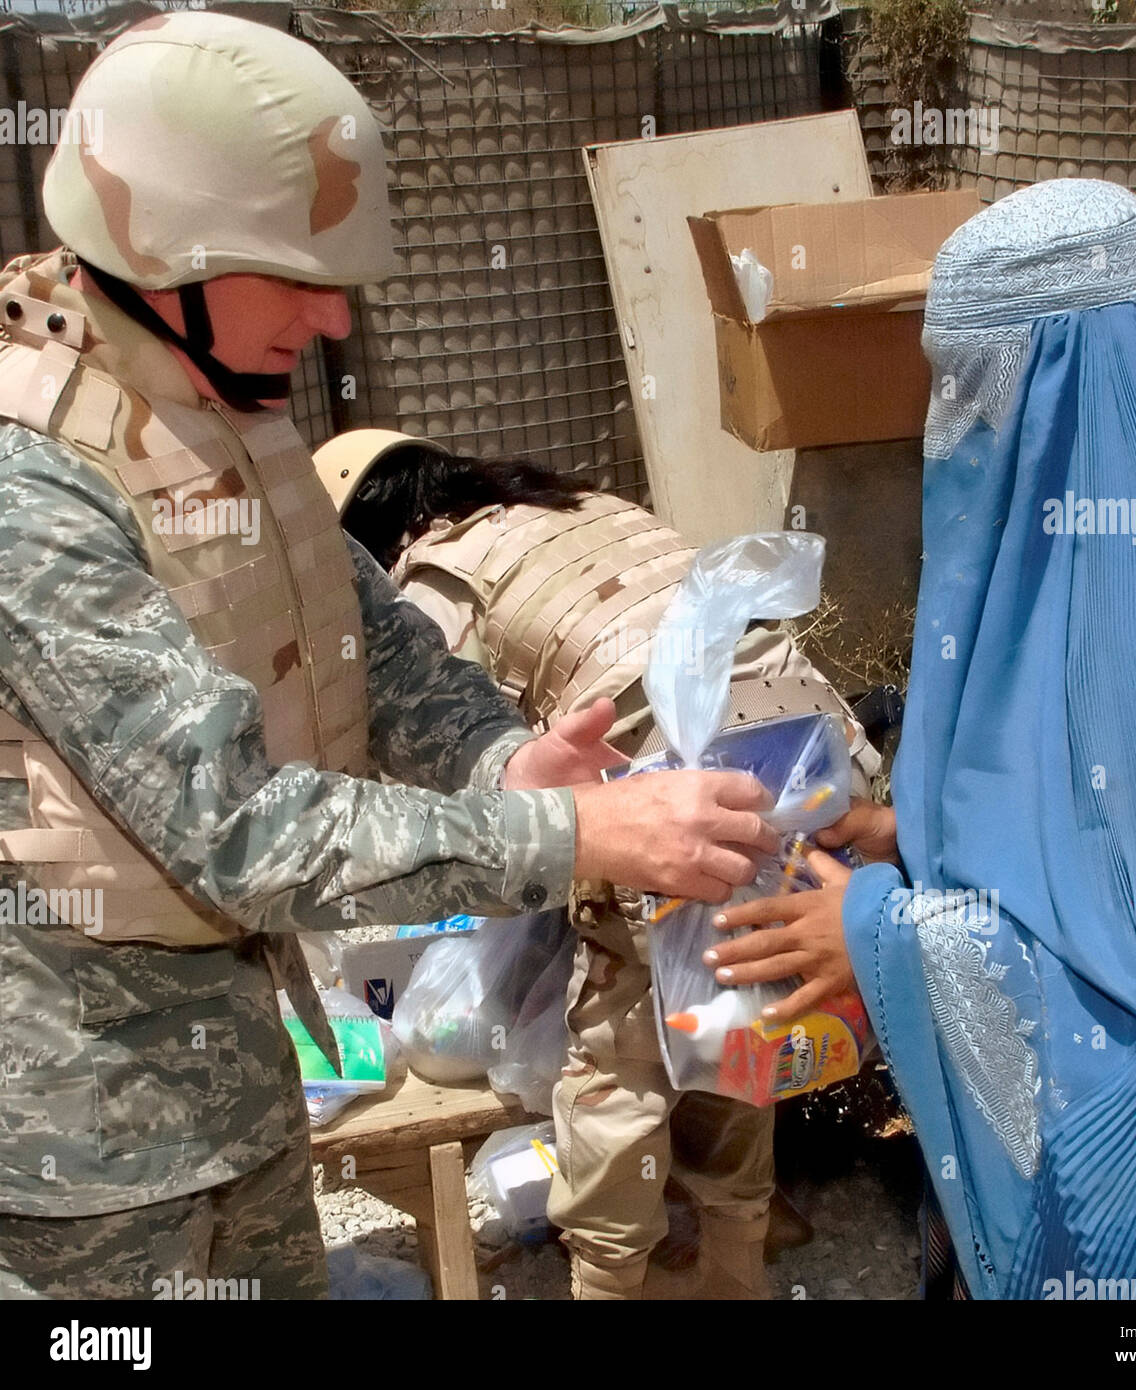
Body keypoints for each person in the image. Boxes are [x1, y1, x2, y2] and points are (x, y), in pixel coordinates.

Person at [0, 13, 775, 1300]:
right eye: (294, 275)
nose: (331, 317)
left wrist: (504, 756)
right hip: (82, 1152)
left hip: (233, 1090)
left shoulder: (208, 414)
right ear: (162, 252)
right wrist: (576, 839)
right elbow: (235, 829)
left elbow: (373, 644)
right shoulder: (31, 488)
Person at [707, 178, 1136, 1299]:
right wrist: (904, 834)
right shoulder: (1069, 590)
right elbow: (1082, 850)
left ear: (1068, 394)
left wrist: (880, 936)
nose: (950, 429)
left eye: (976, 387)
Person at [313, 428, 889, 1298]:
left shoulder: (436, 581)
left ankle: (611, 1280)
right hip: (812, 759)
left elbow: (456, 764)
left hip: (678, 790)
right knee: (736, 996)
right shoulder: (577, 506)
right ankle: (740, 1251)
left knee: (616, 1053)